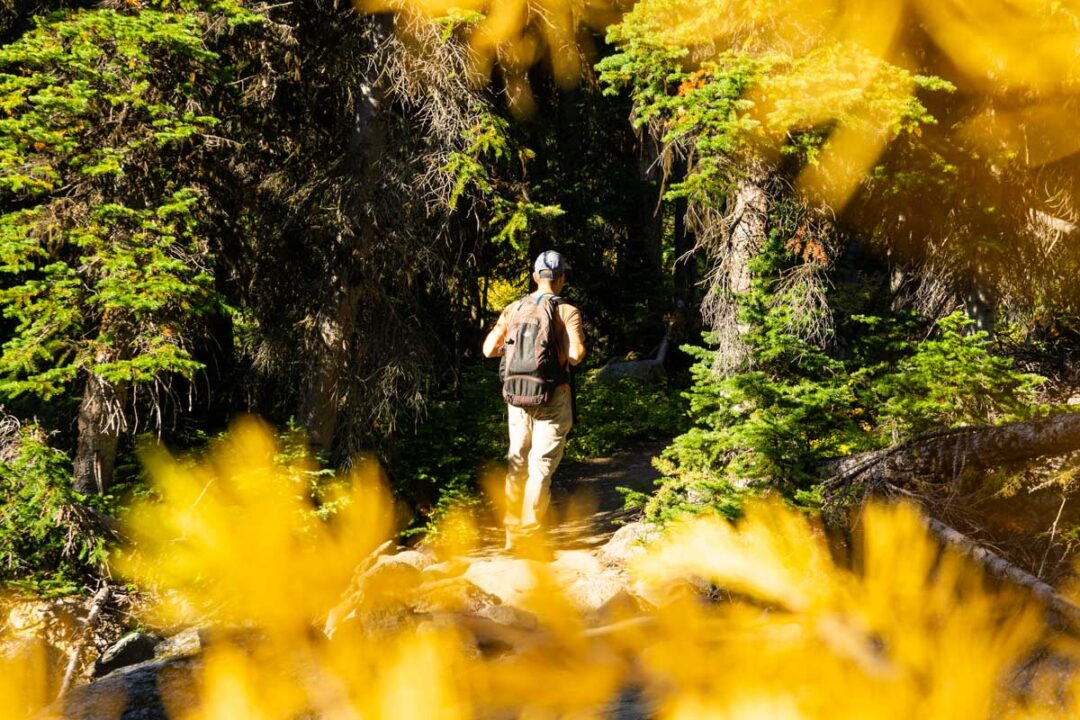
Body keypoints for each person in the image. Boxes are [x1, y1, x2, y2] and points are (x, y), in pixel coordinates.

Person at [482, 251, 586, 551]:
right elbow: (576, 355)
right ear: (561, 278)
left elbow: (489, 349)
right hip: (553, 396)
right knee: (539, 467)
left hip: (516, 396)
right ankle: (530, 537)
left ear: (534, 276)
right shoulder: (567, 310)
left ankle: (511, 537)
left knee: (517, 463)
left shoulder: (514, 308)